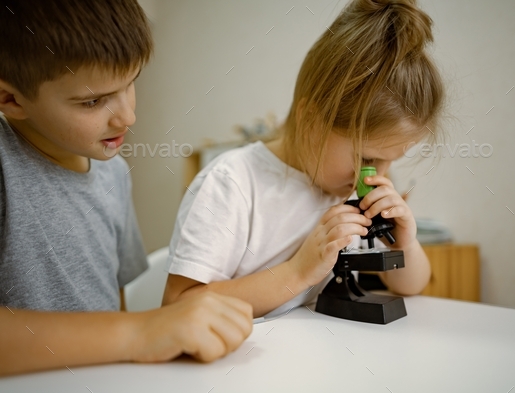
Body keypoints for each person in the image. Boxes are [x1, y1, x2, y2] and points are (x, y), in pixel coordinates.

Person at [0, 0, 252, 376]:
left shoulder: (115, 174)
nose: (128, 116)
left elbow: (115, 301)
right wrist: (144, 331)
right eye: (93, 101)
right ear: (11, 99)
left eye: (131, 82)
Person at [163, 0, 444, 318]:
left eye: (390, 160)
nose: (375, 177)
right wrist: (297, 272)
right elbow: (179, 306)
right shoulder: (232, 183)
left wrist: (403, 244)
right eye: (366, 157)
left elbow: (412, 286)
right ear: (311, 120)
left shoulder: (351, 190)